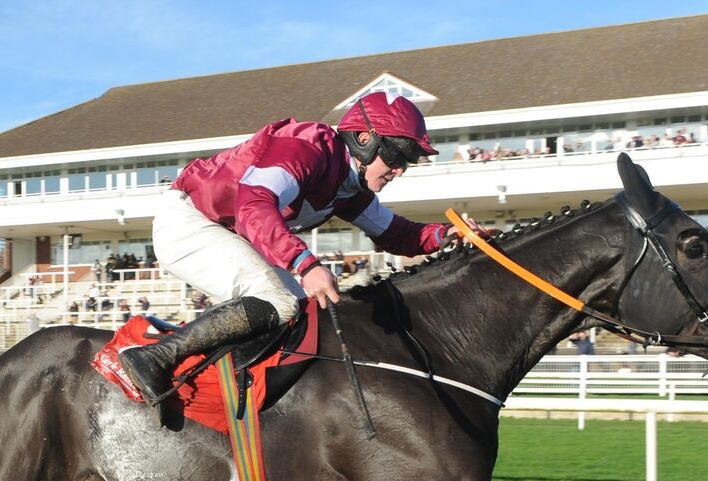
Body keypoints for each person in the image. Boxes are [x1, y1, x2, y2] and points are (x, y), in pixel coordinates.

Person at [119, 93, 484, 415]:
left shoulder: (350, 185)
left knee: (300, 313)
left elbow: (396, 234)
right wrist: (304, 263)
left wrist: (448, 234)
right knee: (280, 301)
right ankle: (155, 356)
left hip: (232, 233)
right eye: (397, 154)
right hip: (190, 221)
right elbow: (254, 205)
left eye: (411, 159)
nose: (400, 169)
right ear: (363, 139)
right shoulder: (307, 147)